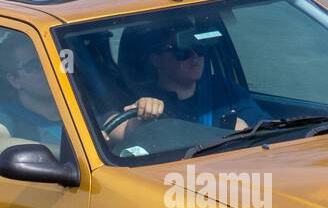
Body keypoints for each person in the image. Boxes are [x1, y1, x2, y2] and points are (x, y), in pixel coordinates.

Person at [109, 22, 265, 144]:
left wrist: (248, 132)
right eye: (182, 51)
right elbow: (110, 128)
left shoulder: (222, 88)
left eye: (199, 47)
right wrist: (137, 120)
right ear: (155, 59)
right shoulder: (145, 101)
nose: (195, 55)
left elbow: (267, 127)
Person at [0, 40, 65, 163]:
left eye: (54, 61)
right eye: (35, 66)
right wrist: (69, 154)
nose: (51, 70)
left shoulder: (86, 107)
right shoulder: (3, 117)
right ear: (14, 80)